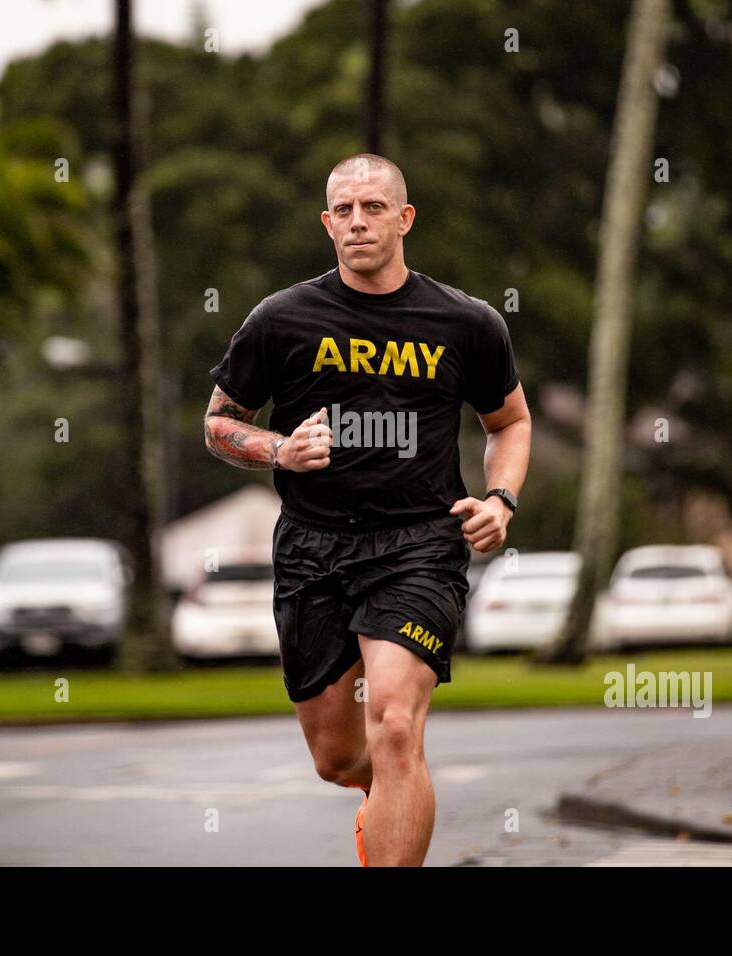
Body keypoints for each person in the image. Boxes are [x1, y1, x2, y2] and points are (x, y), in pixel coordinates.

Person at [203, 153, 531, 866]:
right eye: (343, 211)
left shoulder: (465, 322)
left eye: (374, 208)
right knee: (339, 756)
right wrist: (278, 451)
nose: (358, 222)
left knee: (393, 728)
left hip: (419, 547)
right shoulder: (281, 319)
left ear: (404, 218)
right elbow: (220, 423)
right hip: (312, 549)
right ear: (327, 223)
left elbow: (508, 422)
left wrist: (502, 499)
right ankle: (381, 805)